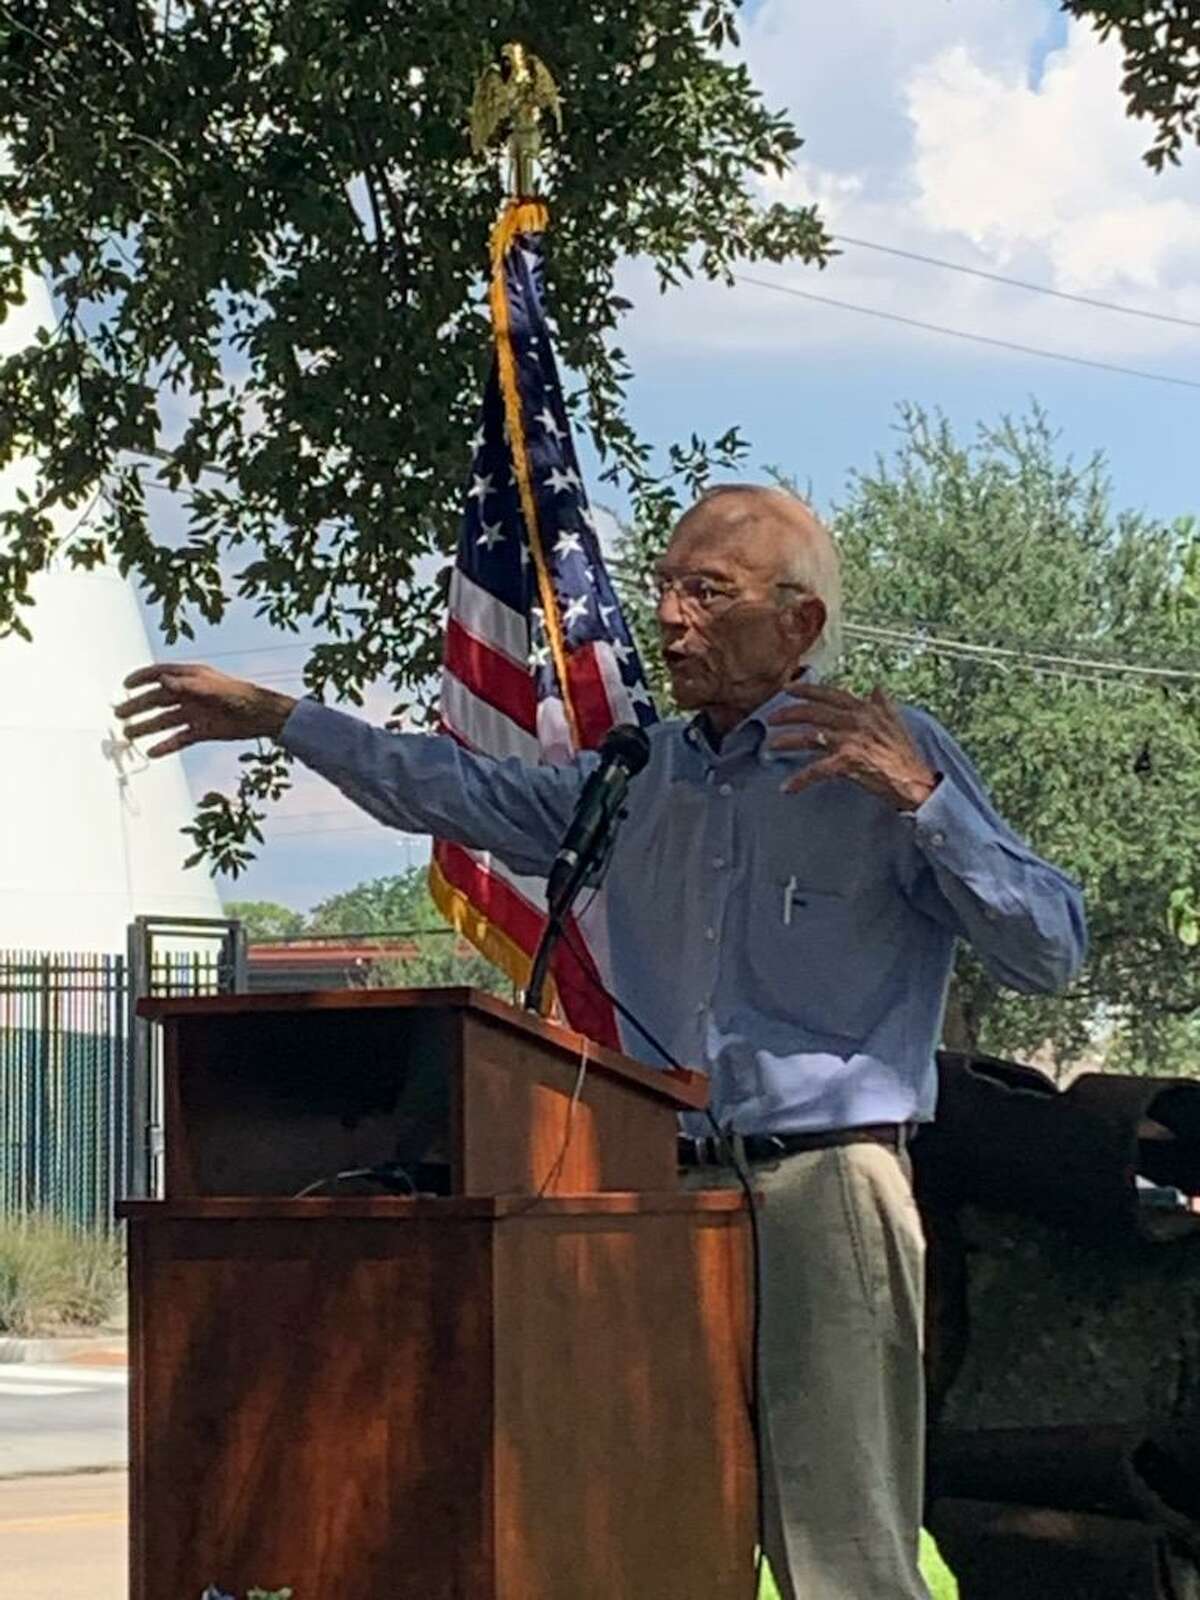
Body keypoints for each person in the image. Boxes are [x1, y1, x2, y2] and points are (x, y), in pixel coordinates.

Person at [116, 484, 1086, 1599]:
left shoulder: (888, 761)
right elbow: (456, 784)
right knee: (649, 1515)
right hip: (651, 1195)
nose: (670, 619)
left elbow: (1049, 946)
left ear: (800, 625)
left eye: (707, 593)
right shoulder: (637, 775)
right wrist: (287, 718)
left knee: (842, 1553)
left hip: (827, 1188)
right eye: (666, 588)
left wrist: (922, 798)